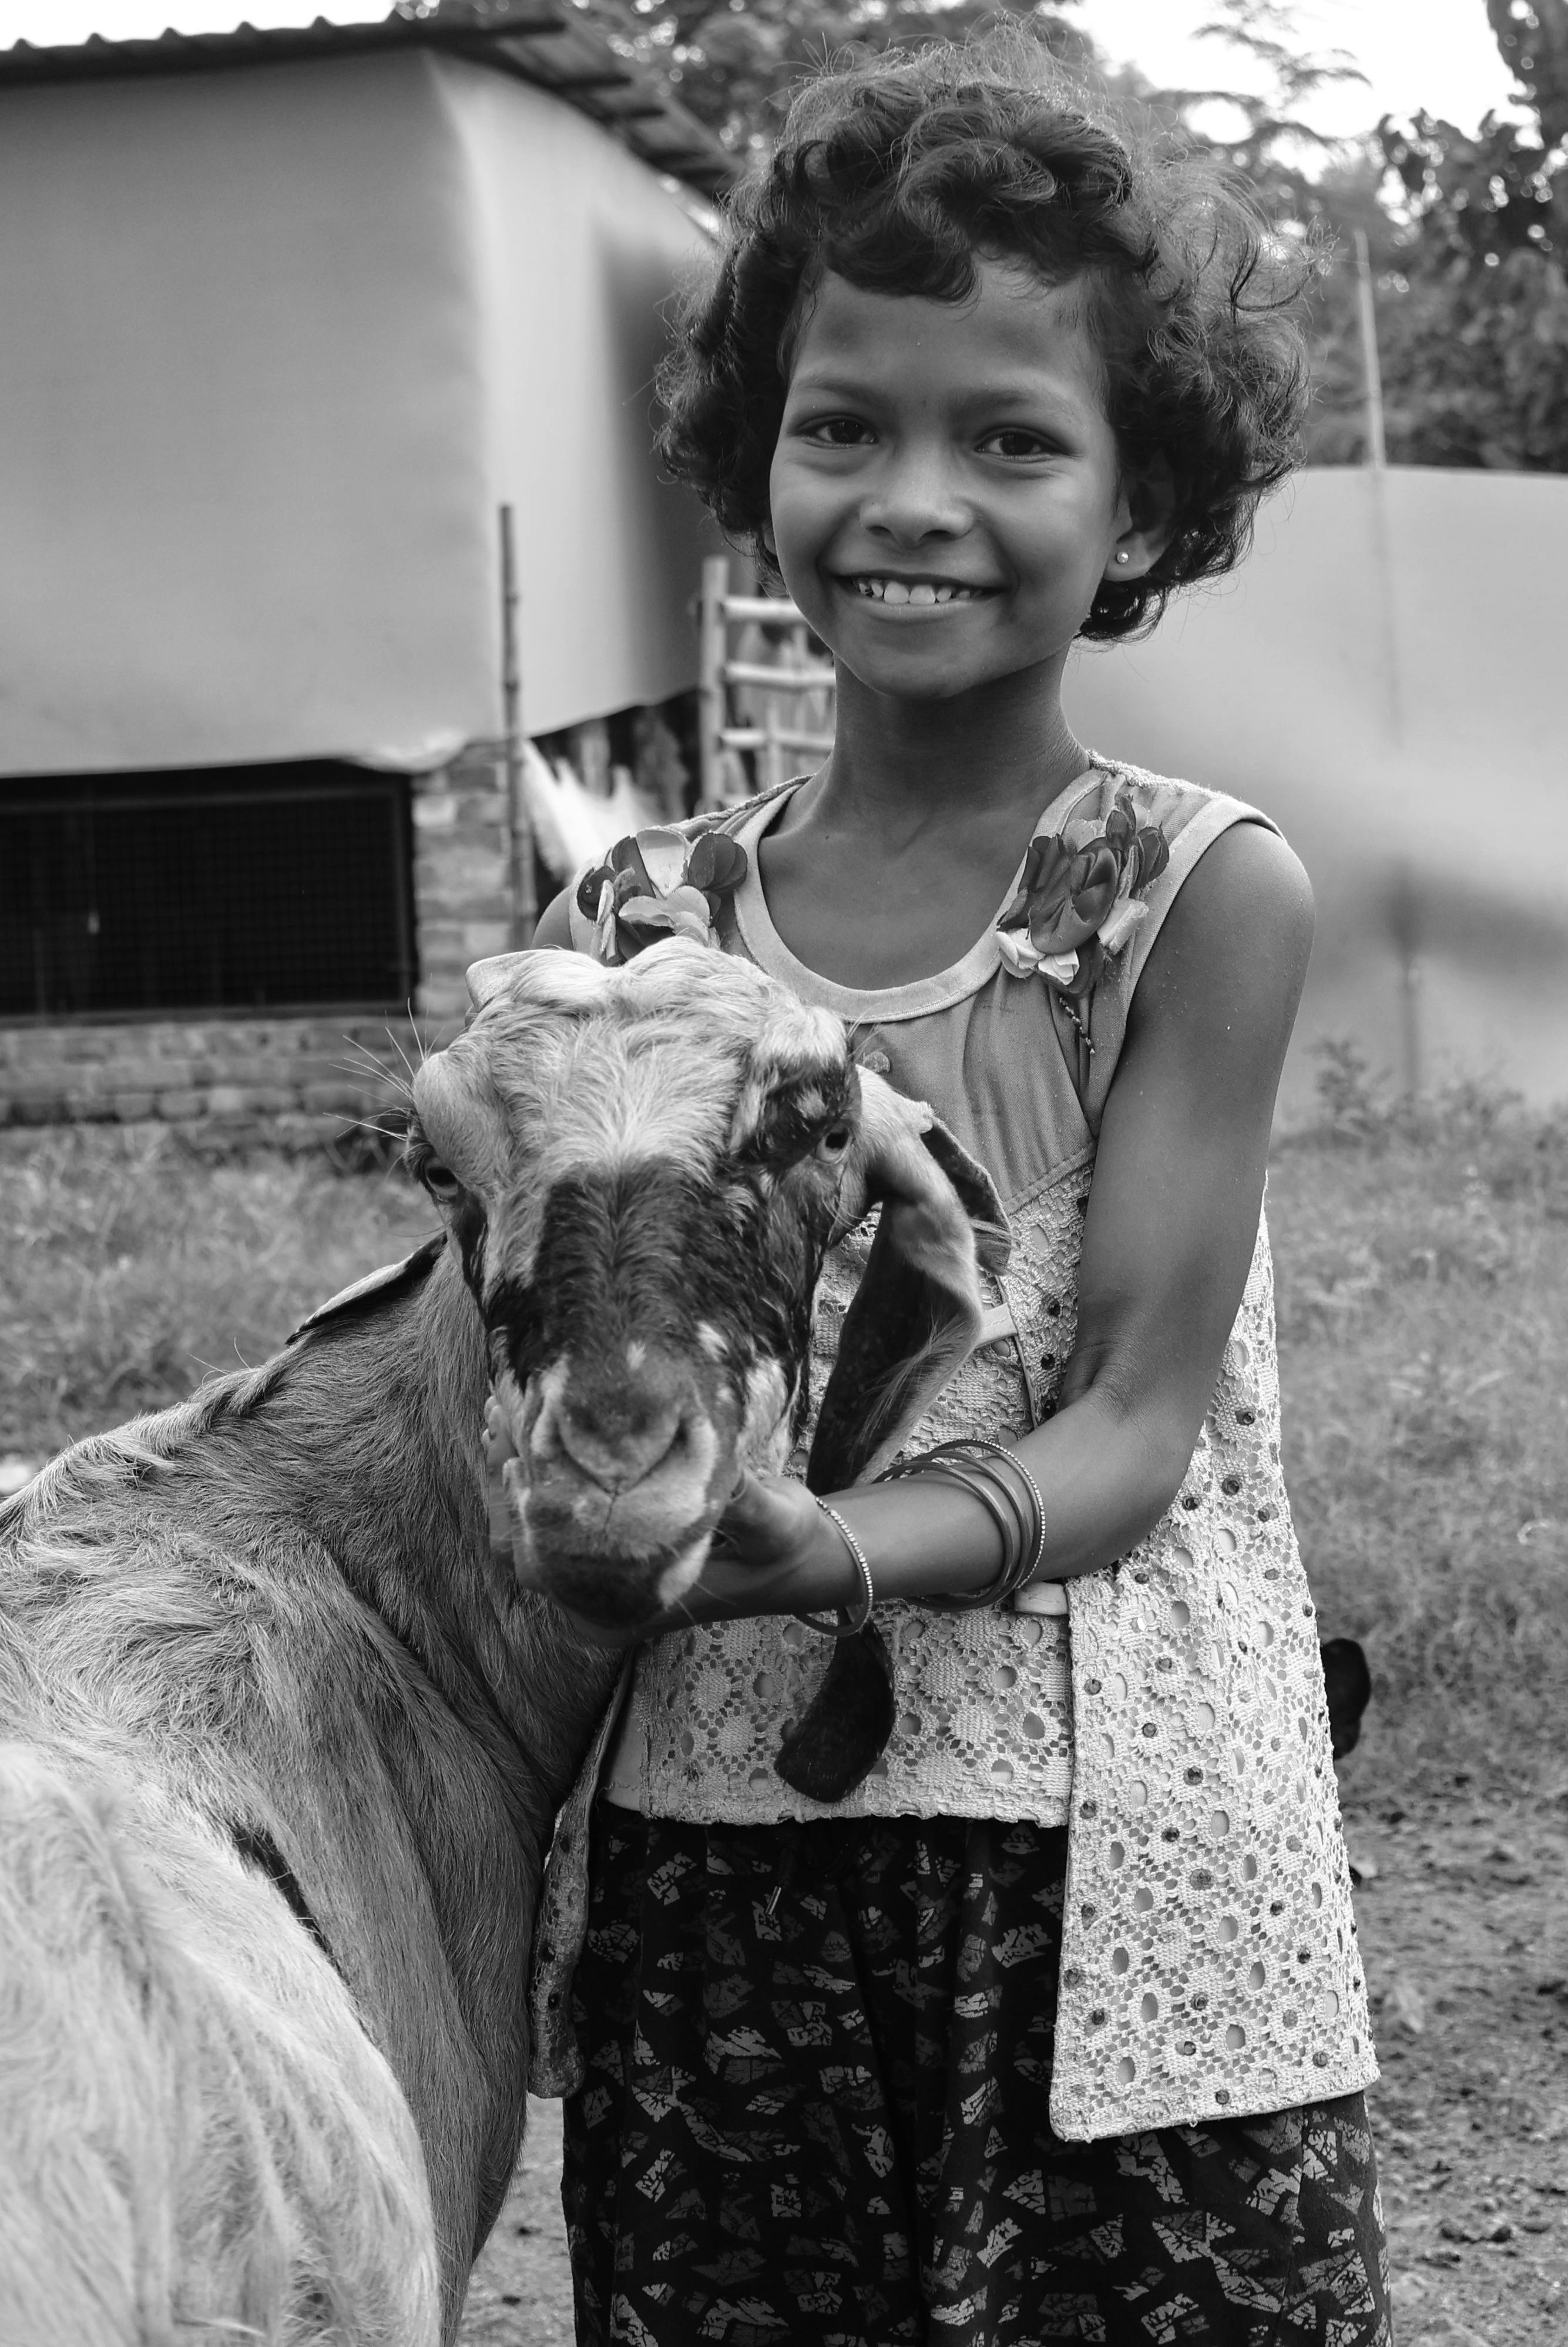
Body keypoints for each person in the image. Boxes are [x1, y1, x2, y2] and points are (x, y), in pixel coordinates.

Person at [507, 33, 1389, 2345]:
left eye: (1008, 436)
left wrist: (828, 1548)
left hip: (1106, 1884)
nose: (911, 497)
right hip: (719, 1873)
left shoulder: (1187, 895)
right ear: (753, 453)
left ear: (1135, 496)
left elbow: (1131, 1420)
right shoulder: (642, 933)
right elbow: (540, 1365)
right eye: (841, 424)